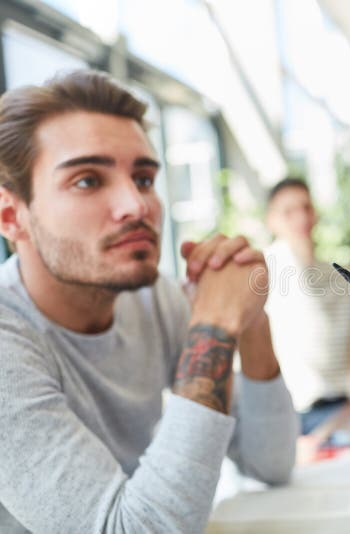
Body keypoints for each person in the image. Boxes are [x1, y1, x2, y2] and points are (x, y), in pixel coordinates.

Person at [0, 70, 299, 533]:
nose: (137, 206)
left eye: (143, 178)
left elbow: (271, 461)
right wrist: (214, 323)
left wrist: (250, 322)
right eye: (86, 181)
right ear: (11, 217)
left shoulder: (150, 298)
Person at [263, 178, 350, 433]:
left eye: (305, 208)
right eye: (288, 211)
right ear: (271, 220)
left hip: (338, 411)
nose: (300, 218)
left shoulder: (339, 278)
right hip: (286, 414)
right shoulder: (263, 274)